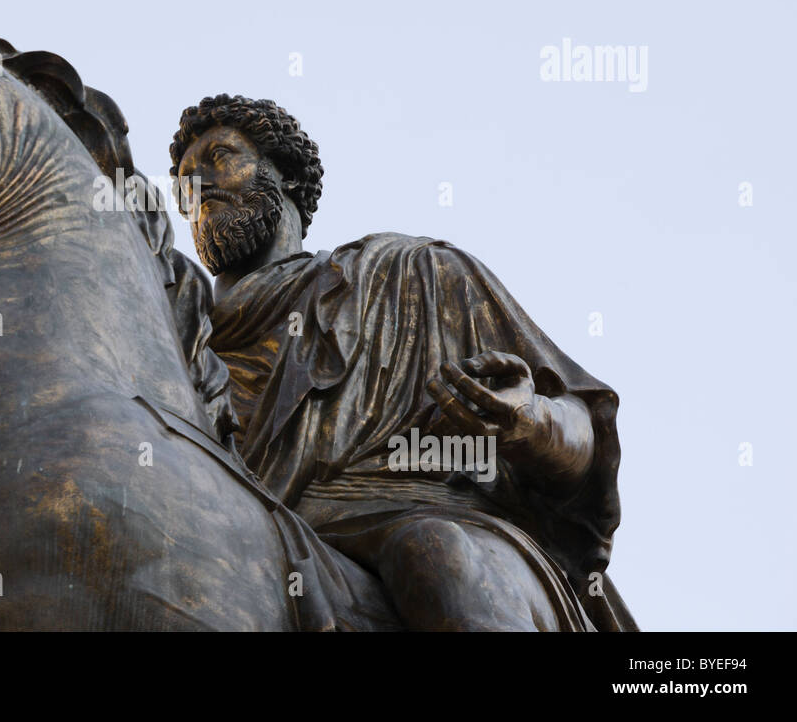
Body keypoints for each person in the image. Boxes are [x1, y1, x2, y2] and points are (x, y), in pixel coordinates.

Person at [168, 94, 637, 631]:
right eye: (183, 179)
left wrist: (529, 419)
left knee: (435, 555)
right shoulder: (180, 344)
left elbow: (584, 441)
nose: (196, 183)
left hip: (428, 520)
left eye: (220, 157)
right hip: (239, 538)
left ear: (289, 179)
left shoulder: (412, 273)